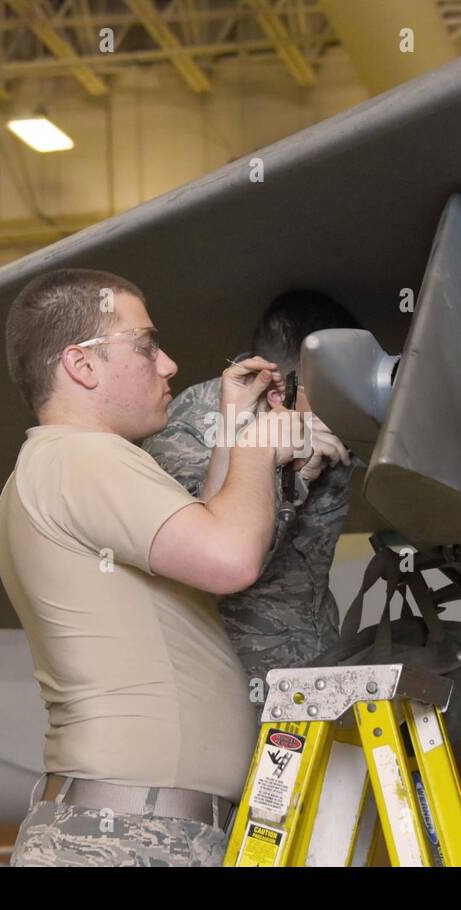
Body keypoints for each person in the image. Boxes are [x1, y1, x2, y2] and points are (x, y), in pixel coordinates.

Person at [0, 268, 299, 866]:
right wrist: (263, 445)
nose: (168, 365)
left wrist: (237, 429)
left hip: (138, 831)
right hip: (126, 835)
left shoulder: (66, 465)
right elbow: (230, 558)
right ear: (82, 365)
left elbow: (205, 534)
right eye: (145, 346)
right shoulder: (81, 459)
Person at [142, 290, 358, 695]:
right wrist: (295, 479)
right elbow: (212, 566)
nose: (348, 409)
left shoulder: (322, 410)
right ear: (280, 392)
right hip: (232, 684)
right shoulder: (191, 433)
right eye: (337, 394)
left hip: (314, 667)